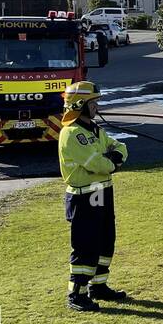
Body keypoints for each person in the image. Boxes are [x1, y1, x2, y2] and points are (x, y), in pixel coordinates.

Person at [57, 80, 129, 311]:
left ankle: (98, 286)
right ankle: (76, 294)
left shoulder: (96, 130)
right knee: (85, 245)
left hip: (102, 192)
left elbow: (121, 148)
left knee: (105, 240)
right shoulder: (72, 134)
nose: (97, 106)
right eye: (93, 102)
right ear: (80, 104)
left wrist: (113, 159)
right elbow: (95, 163)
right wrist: (112, 162)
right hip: (84, 197)